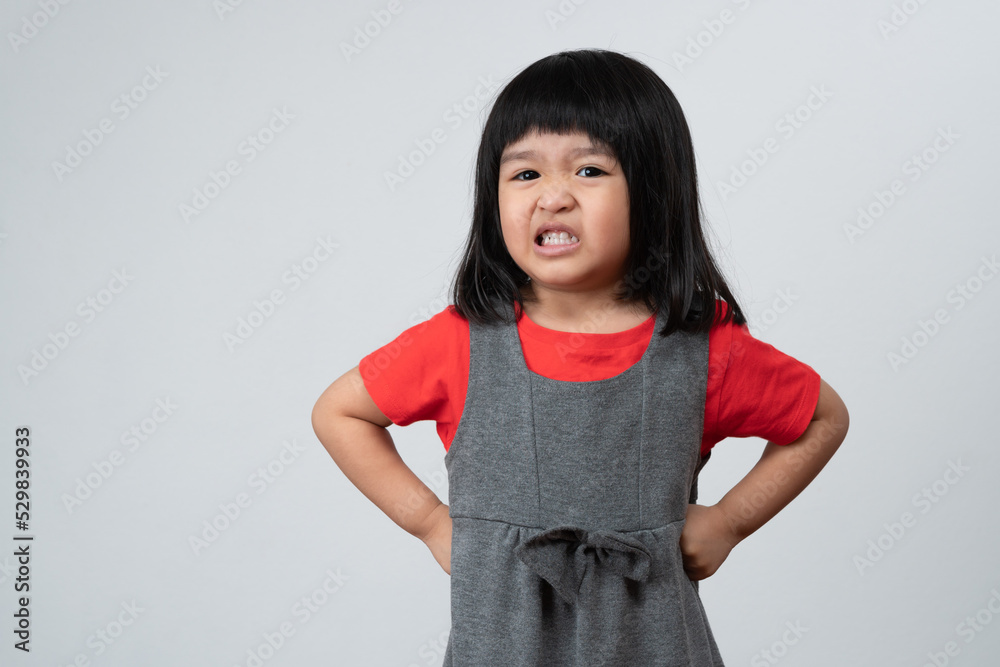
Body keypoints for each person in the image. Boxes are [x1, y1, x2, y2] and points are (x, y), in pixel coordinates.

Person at [312, 48, 849, 666]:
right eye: (525, 174)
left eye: (589, 171)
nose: (553, 197)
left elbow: (821, 419)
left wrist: (729, 521)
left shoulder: (701, 349)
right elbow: (339, 413)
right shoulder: (461, 341)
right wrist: (431, 521)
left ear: (653, 191)